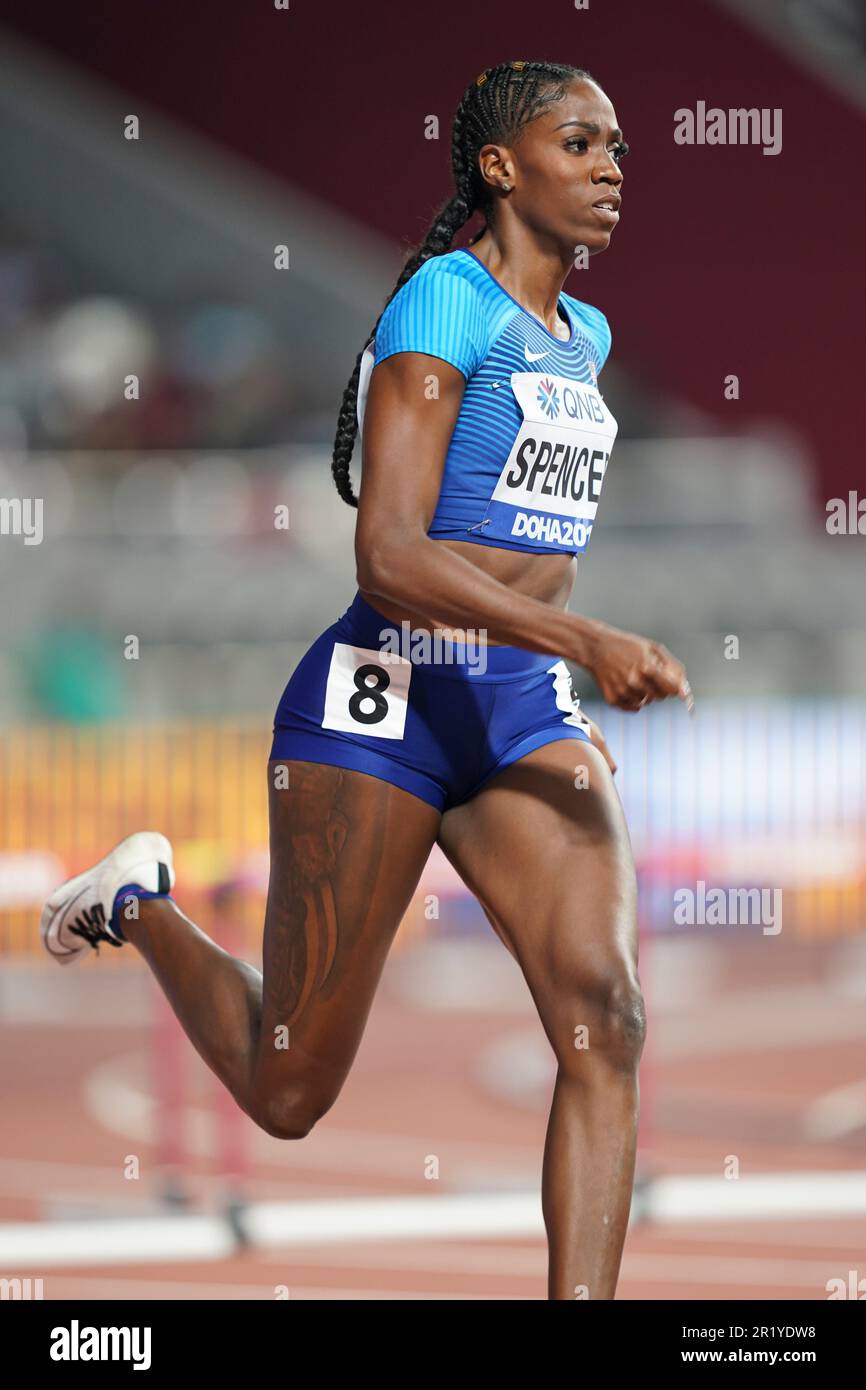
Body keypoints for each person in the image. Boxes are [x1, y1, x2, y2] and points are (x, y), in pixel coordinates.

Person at [41, 59, 692, 1300]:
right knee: (288, 1089)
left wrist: (550, 676)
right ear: (499, 166)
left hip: (514, 707)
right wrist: (585, 644)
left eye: (617, 146)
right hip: (379, 701)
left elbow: (531, 535)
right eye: (579, 143)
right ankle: (137, 901)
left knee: (604, 1016)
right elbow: (388, 554)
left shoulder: (589, 337)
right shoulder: (444, 304)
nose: (611, 168)